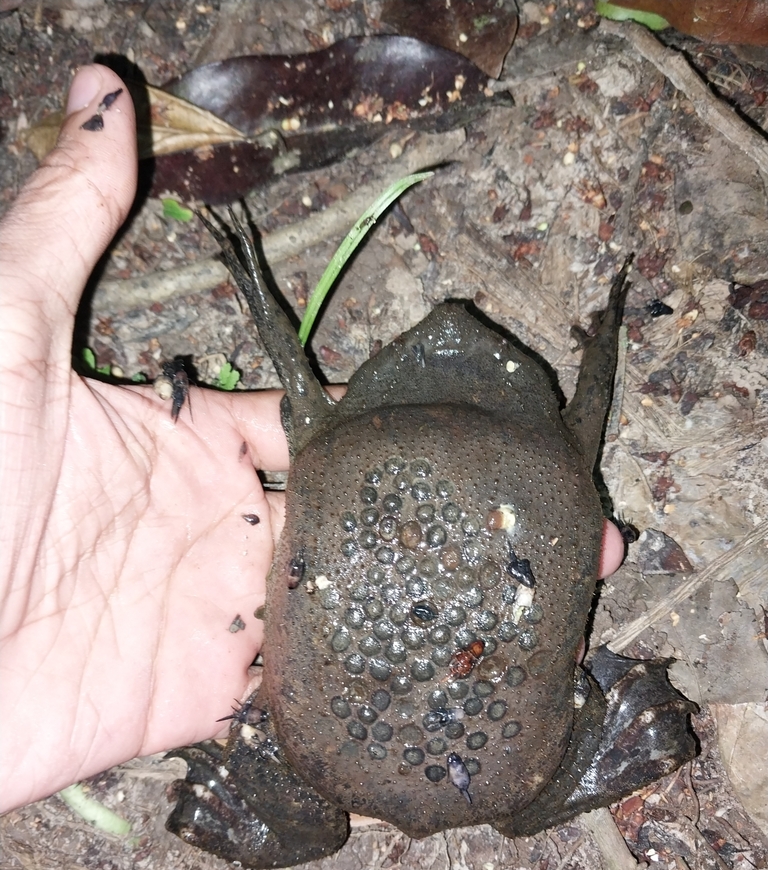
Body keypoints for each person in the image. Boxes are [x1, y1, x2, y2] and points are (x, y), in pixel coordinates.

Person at [0, 66, 624, 815]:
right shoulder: (519, 450)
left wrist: (245, 261)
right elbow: (591, 401)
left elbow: (292, 371)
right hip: (471, 770)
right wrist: (610, 325)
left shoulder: (337, 436)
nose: (452, 319)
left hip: (406, 754)